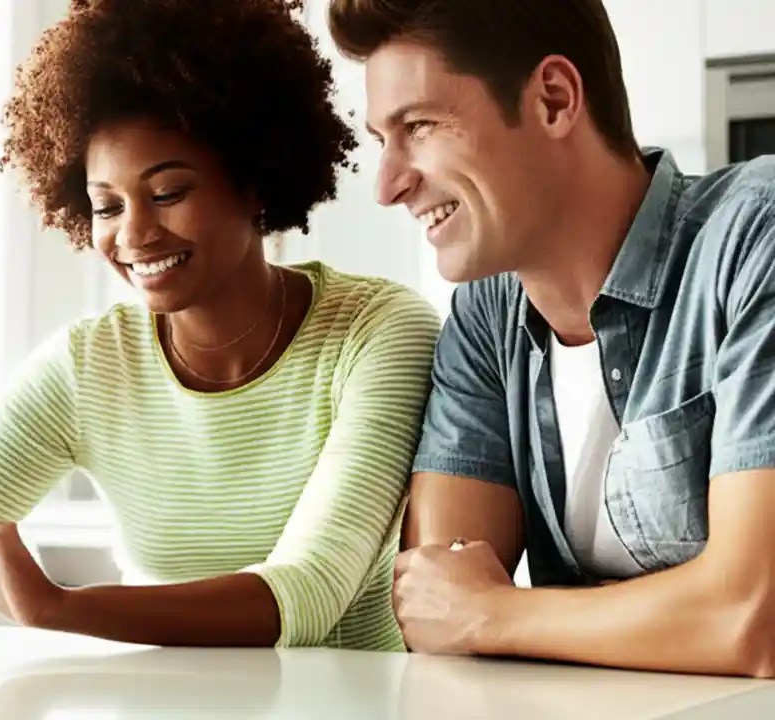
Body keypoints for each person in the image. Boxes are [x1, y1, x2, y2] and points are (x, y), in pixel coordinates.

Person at [0, 0, 439, 649]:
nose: (133, 234)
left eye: (167, 194)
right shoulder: (87, 366)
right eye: (106, 205)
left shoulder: (378, 332)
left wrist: (57, 605)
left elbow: (310, 592)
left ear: (254, 183)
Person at [327, 0, 775, 676]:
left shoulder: (753, 237)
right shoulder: (484, 316)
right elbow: (433, 607)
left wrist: (495, 613)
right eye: (380, 141)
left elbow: (753, 616)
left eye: (418, 125)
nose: (389, 186)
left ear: (555, 100)